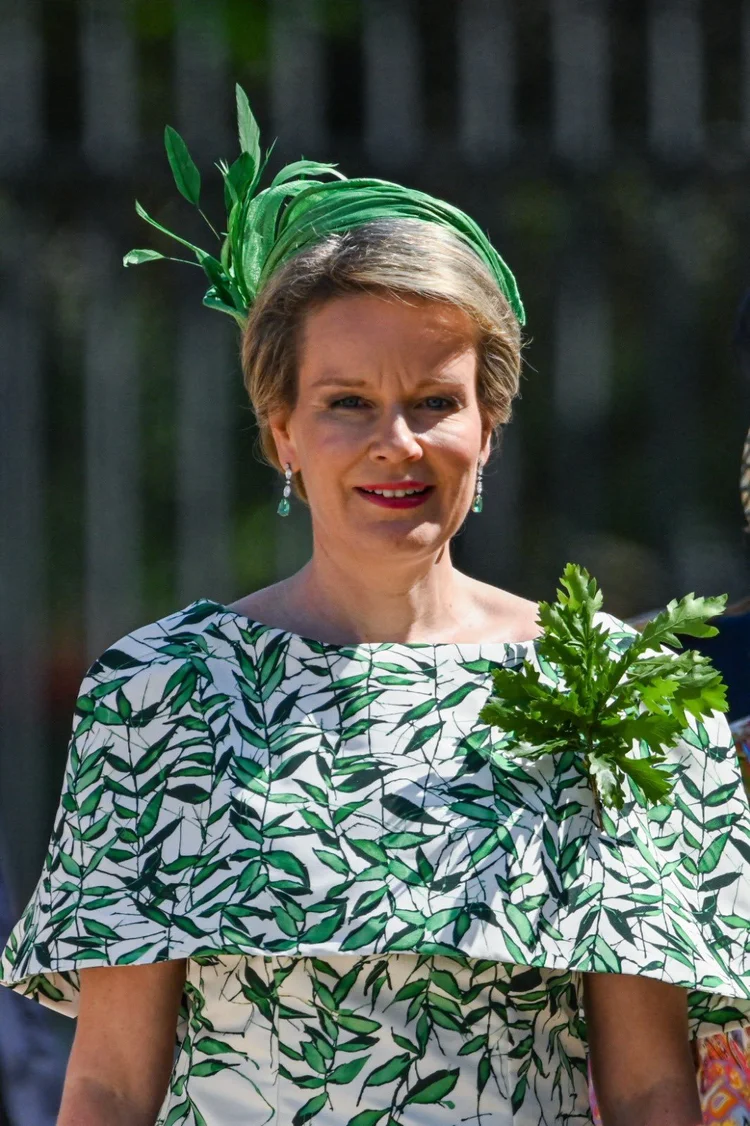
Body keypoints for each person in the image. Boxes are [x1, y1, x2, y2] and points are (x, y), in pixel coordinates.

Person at [2, 94, 750, 1126]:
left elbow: (653, 1086)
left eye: (435, 401)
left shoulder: (613, 691)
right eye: (347, 401)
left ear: (488, 426)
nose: (395, 440)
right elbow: (110, 1082)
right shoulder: (159, 692)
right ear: (282, 436)